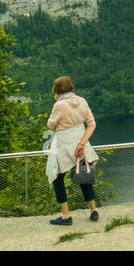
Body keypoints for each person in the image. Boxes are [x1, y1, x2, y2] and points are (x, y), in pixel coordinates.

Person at [46, 76, 99, 225]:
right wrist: (82, 144)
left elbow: (51, 125)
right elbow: (91, 124)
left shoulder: (59, 105)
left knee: (58, 179)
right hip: (81, 144)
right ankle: (93, 210)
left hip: (64, 145)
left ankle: (66, 216)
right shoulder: (82, 101)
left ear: (57, 90)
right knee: (84, 176)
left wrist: (56, 102)